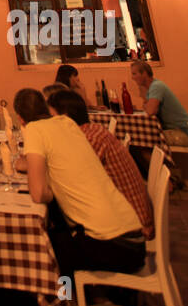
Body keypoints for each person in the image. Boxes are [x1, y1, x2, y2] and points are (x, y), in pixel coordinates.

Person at [13, 87, 145, 279]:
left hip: (114, 246)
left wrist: (53, 192)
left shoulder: (34, 129)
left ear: (20, 118)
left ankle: (64, 301)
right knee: (58, 229)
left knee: (46, 249)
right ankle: (88, 296)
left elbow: (38, 193)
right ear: (46, 107)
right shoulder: (67, 123)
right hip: (134, 235)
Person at [48, 89, 153, 239]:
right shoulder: (92, 130)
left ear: (65, 117)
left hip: (127, 229)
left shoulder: (88, 140)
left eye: (51, 117)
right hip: (124, 217)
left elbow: (71, 180)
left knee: (54, 233)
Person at [130, 62, 188, 146]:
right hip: (176, 130)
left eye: (134, 74)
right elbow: (149, 108)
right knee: (143, 139)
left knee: (145, 140)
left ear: (144, 73)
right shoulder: (152, 88)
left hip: (186, 134)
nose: (132, 78)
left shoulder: (156, 86)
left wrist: (146, 103)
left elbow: (150, 111)